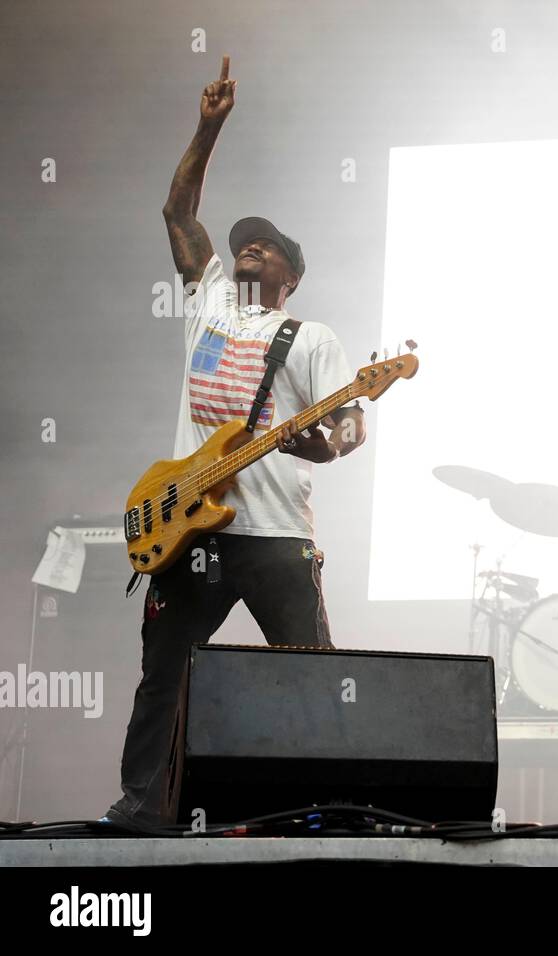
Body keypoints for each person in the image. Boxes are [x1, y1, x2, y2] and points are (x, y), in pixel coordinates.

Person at [104, 56, 365, 826]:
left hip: (276, 535)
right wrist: (208, 126)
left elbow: (351, 420)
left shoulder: (310, 335)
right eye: (246, 243)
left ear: (292, 278)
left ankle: (324, 808)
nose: (250, 248)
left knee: (309, 676)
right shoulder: (210, 300)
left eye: (268, 248)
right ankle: (141, 806)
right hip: (187, 524)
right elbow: (179, 213)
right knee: (165, 676)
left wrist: (332, 445)